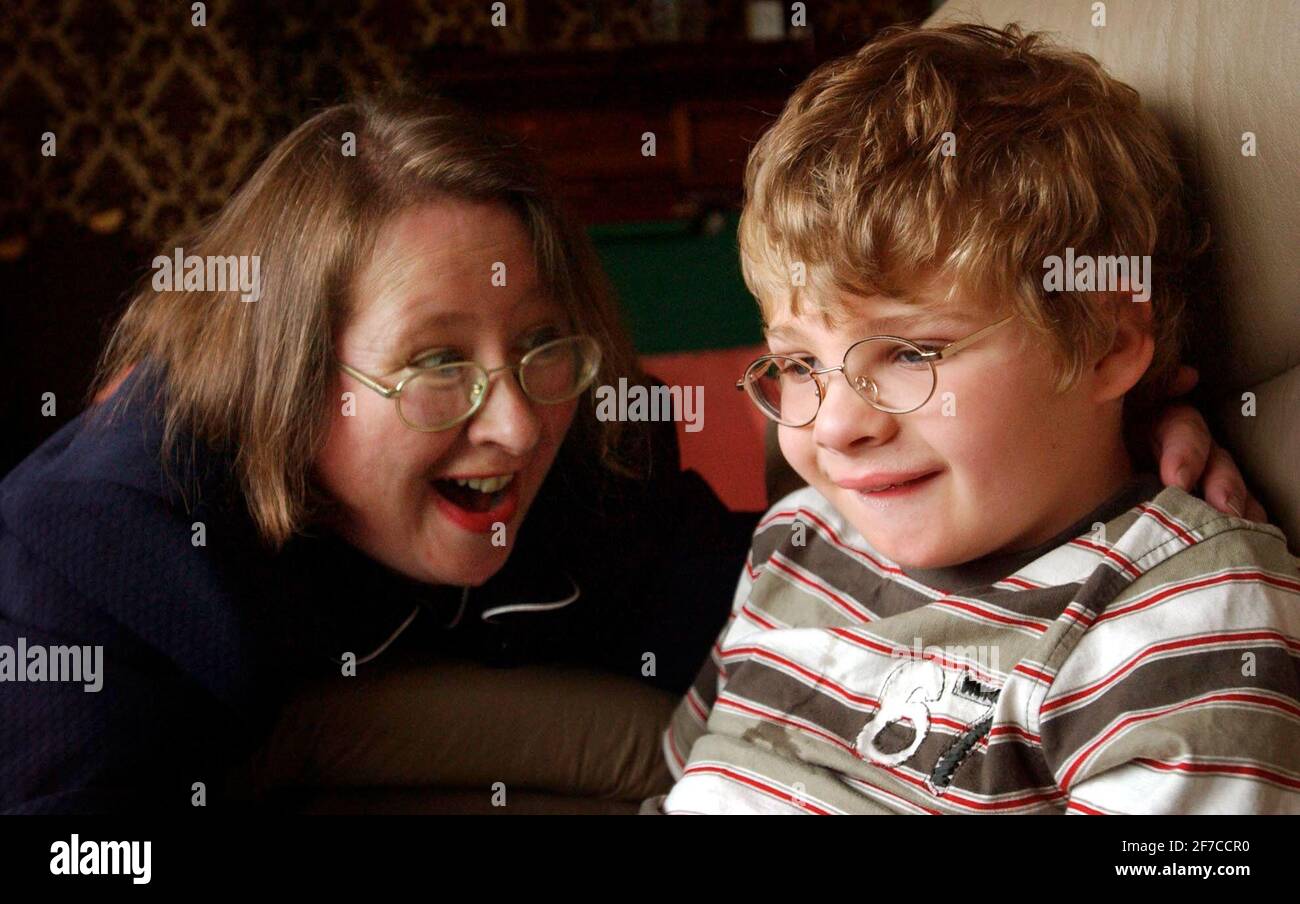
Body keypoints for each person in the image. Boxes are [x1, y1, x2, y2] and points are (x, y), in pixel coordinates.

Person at [0, 90, 754, 813]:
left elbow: (758, 626)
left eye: (538, 342)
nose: (519, 427)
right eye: (435, 363)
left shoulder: (591, 434)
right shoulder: (107, 543)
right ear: (290, 377)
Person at [653, 24, 1300, 814]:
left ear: (1105, 344)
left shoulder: (1180, 619)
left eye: (914, 353)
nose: (833, 426)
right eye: (798, 365)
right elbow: (691, 780)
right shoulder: (796, 542)